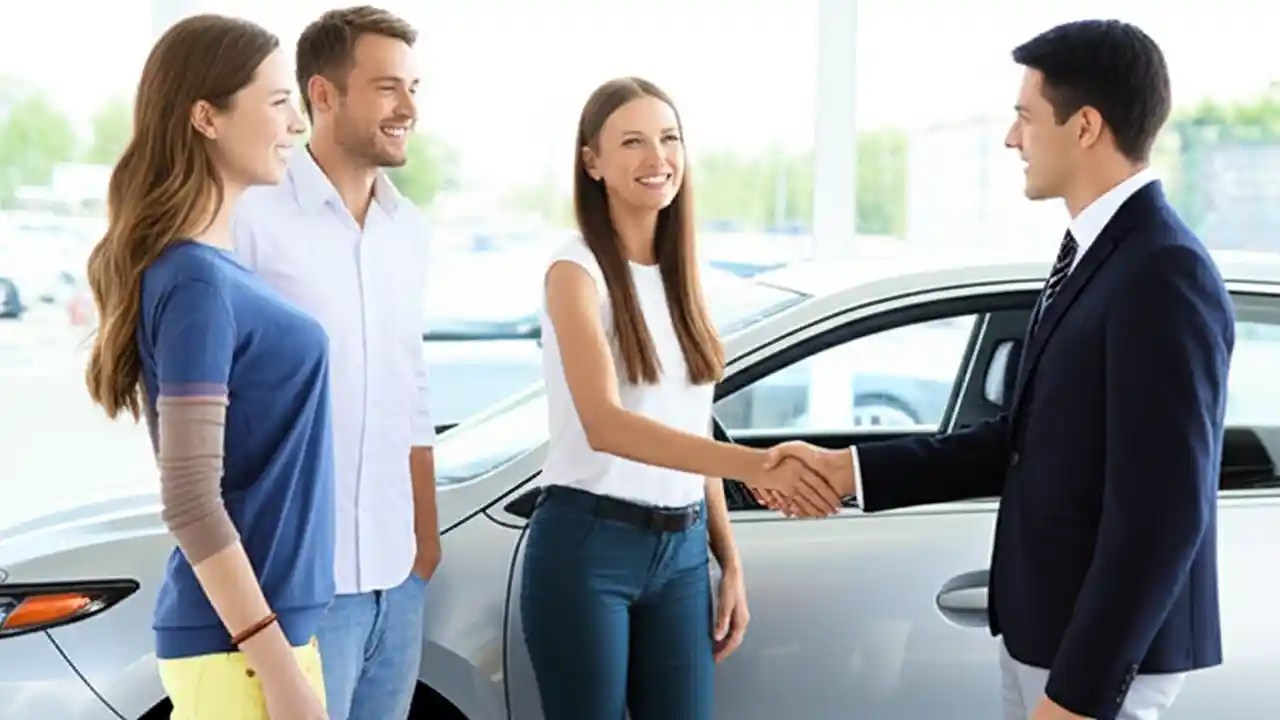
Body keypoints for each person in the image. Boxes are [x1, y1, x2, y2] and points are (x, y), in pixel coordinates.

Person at [764, 19, 1233, 720]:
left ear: (1085, 127)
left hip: (1095, 664)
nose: (1012, 138)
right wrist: (848, 471)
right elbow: (1025, 441)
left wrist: (1078, 697)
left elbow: (1164, 514)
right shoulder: (1096, 252)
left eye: (1024, 116)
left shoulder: (1162, 270)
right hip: (1043, 632)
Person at [520, 76, 845, 720]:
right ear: (593, 162)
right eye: (633, 142)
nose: (657, 158)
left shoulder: (685, 278)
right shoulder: (574, 270)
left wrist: (728, 560)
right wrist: (757, 466)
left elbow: (692, 428)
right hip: (590, 545)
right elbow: (604, 425)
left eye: (669, 139)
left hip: (682, 554)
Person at [83, 14, 330, 720]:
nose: (298, 123)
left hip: (264, 641)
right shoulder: (195, 283)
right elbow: (191, 499)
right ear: (206, 117)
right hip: (244, 655)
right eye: (279, 101)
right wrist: (277, 669)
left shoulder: (217, 272)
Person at [230, 6, 438, 719]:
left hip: (395, 580)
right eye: (387, 87)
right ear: (323, 94)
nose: (409, 107)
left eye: (414, 87)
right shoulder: (251, 215)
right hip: (295, 585)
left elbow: (410, 390)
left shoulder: (408, 231)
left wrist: (424, 548)